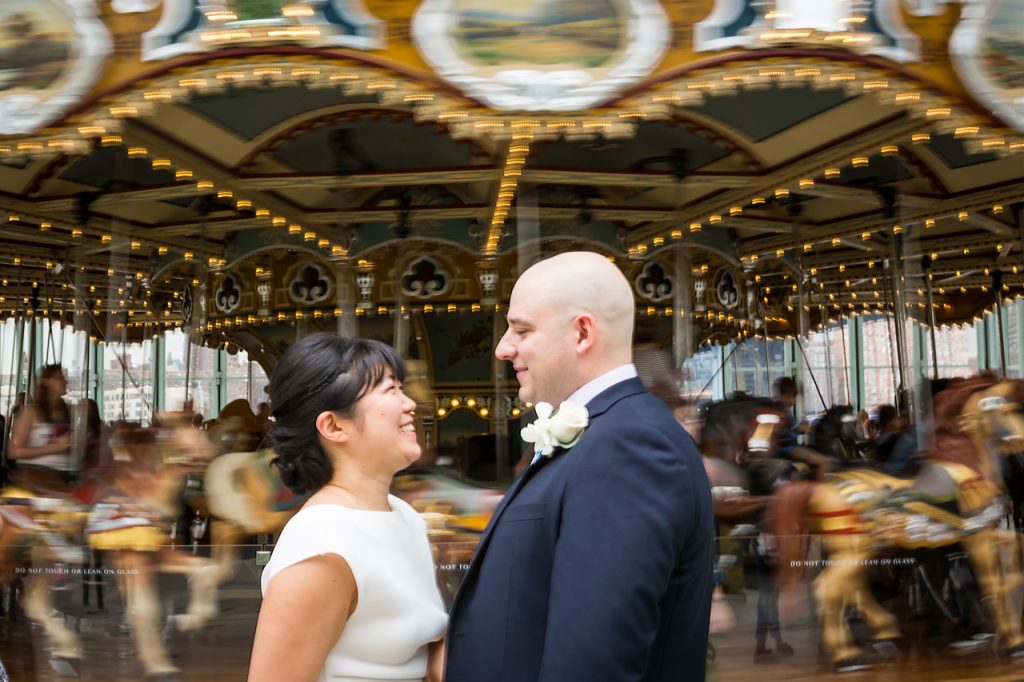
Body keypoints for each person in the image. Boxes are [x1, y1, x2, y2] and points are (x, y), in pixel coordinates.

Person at [445, 252, 715, 681]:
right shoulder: (610, 434)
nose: (503, 348)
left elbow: (594, 659)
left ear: (582, 333)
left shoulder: (629, 447)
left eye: (522, 330)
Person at [248, 333, 446, 682]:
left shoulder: (405, 516)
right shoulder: (321, 549)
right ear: (334, 425)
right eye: (391, 390)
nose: (410, 404)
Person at [8, 364, 74, 493]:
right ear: (46, 382)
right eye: (59, 378)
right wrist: (54, 447)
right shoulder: (30, 412)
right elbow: (14, 451)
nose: (65, 381)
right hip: (37, 475)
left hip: (62, 475)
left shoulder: (66, 411)